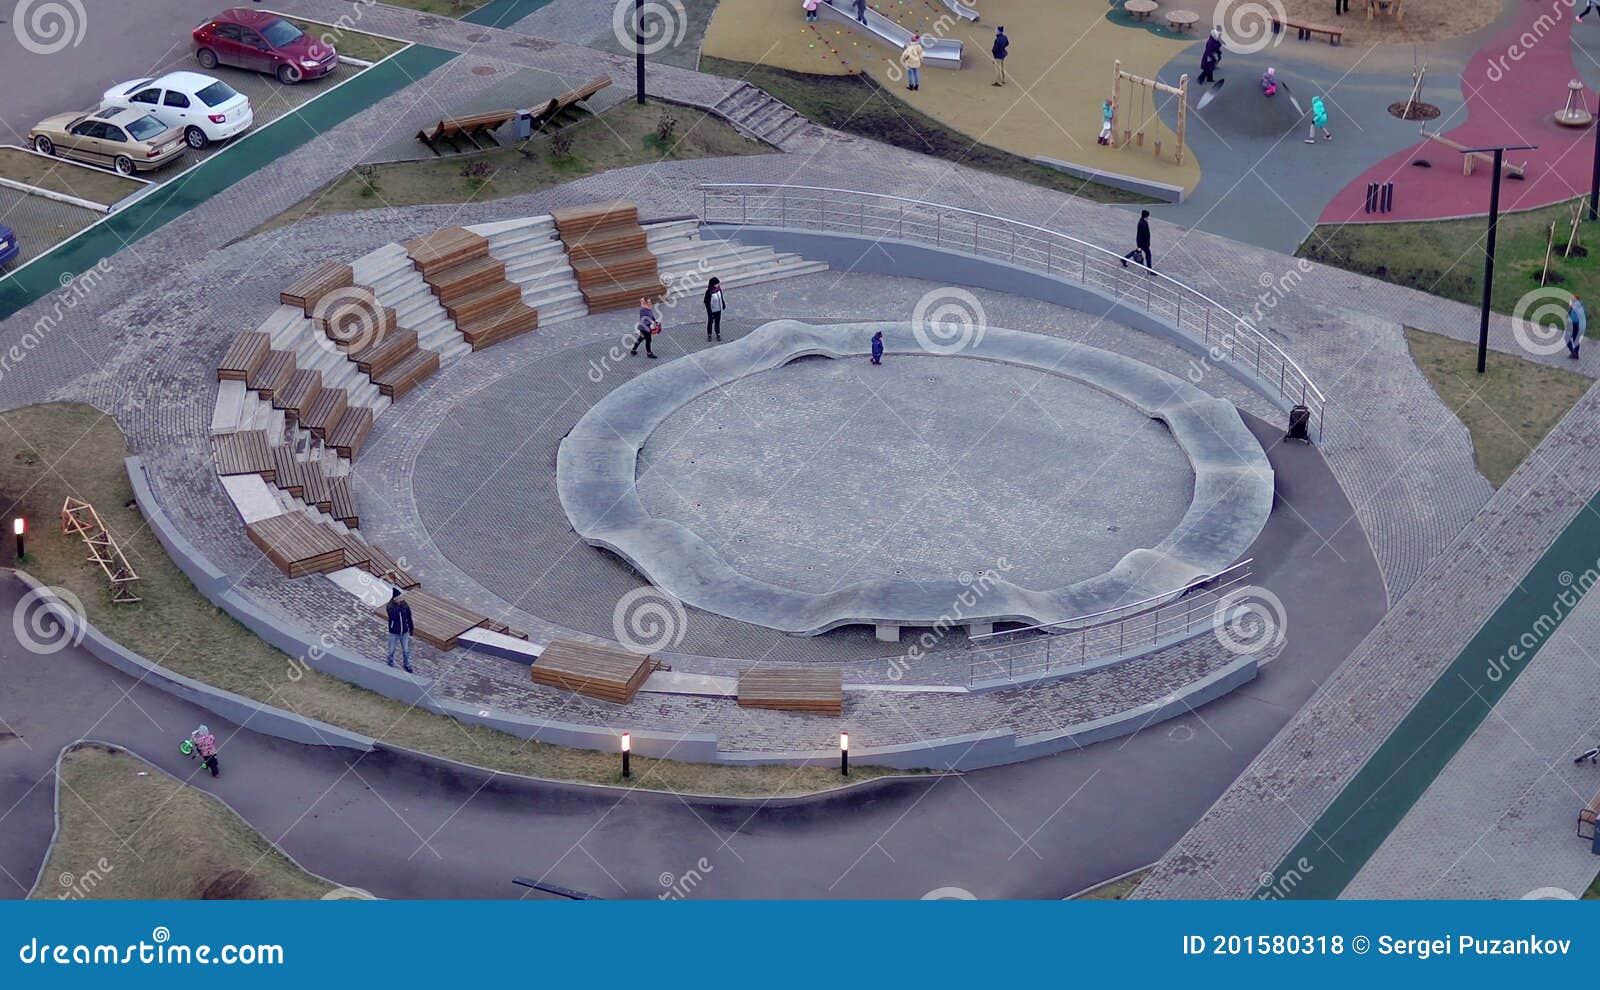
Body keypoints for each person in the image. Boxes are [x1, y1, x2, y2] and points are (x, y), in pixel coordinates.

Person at [385, 587, 414, 673]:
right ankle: (389, 663)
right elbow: (393, 616)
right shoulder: (390, 606)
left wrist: (411, 628)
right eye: (399, 598)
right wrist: (398, 607)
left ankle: (407, 664)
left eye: (401, 597)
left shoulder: (405, 604)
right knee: (391, 650)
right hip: (394, 632)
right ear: (395, 598)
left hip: (404, 632)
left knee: (406, 650)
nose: (401, 599)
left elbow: (409, 617)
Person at [1569, 295, 1587, 360]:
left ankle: (1575, 354)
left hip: (1577, 325)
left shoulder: (1579, 306)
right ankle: (1574, 353)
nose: (1571, 300)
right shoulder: (1575, 306)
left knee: (1573, 340)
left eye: (1573, 299)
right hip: (1573, 325)